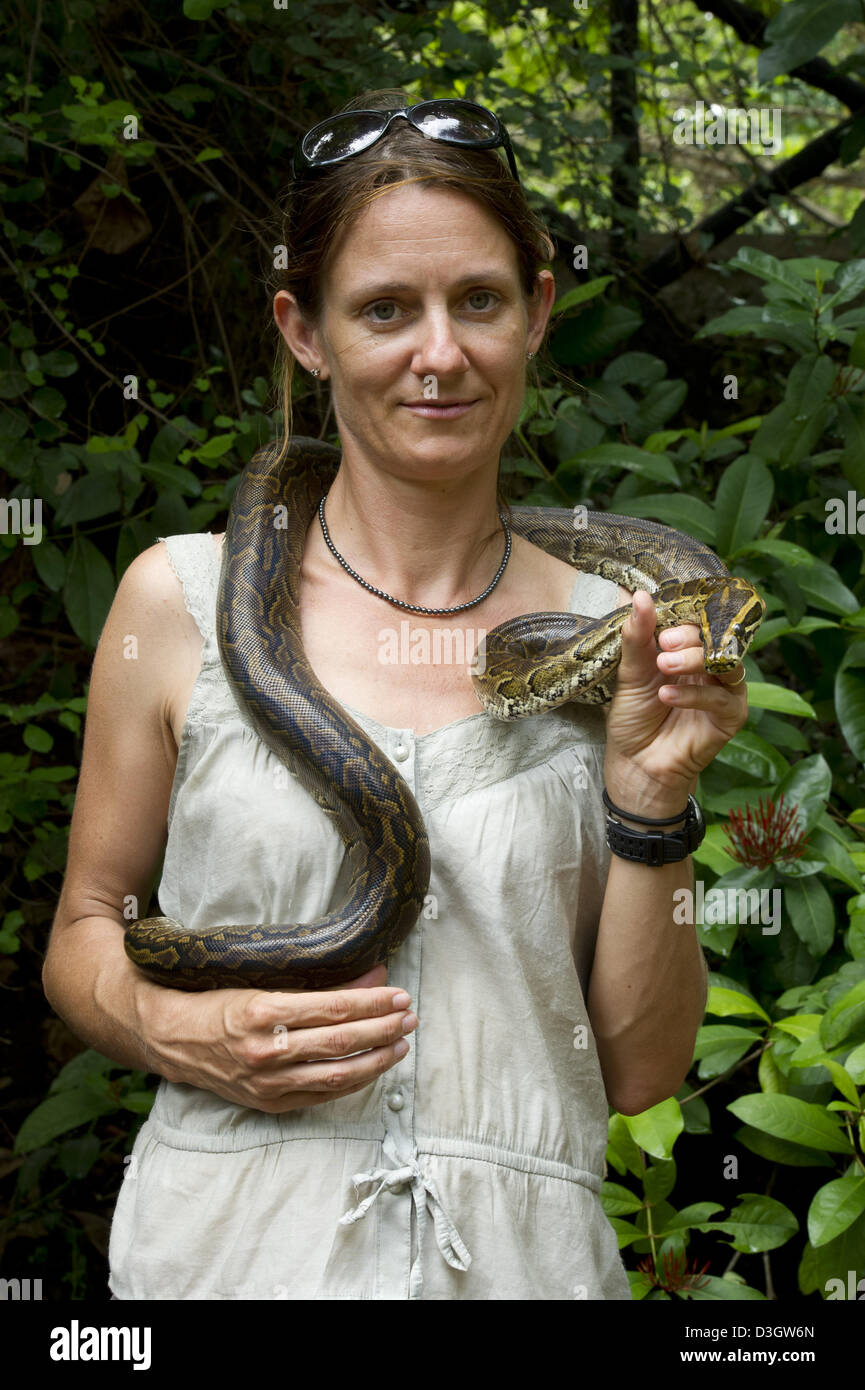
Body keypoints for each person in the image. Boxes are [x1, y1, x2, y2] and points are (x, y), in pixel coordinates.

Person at [42, 89, 748, 1301]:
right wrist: (174, 1030)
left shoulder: (621, 639)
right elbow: (85, 932)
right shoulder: (180, 600)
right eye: (383, 309)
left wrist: (648, 796)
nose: (439, 353)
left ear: (535, 312)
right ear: (304, 331)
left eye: (477, 299)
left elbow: (638, 1070)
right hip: (225, 1260)